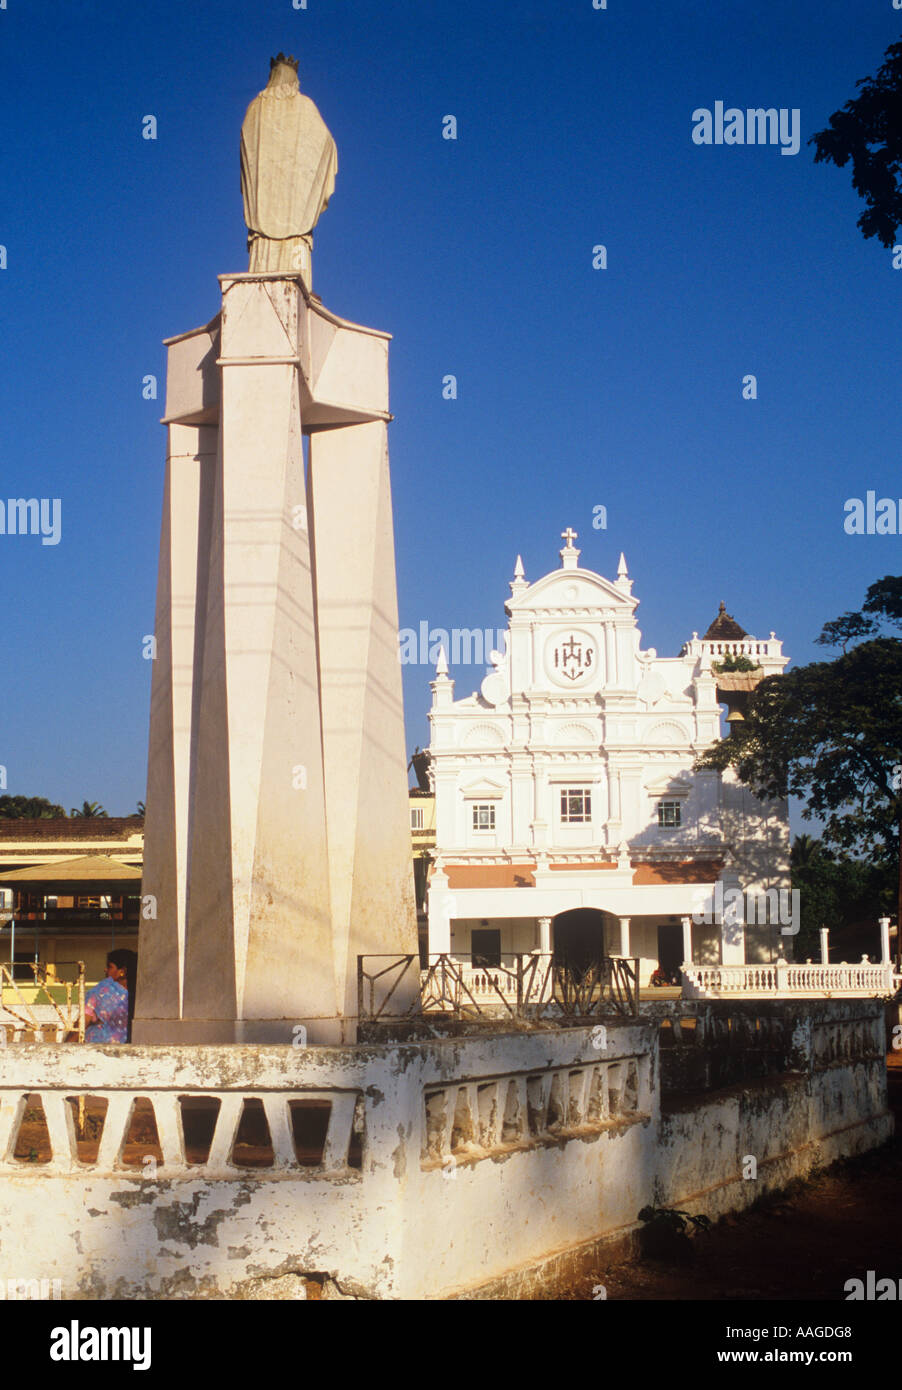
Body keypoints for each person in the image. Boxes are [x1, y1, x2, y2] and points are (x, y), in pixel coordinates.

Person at [84, 949, 137, 1043]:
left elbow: (82, 1023)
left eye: (109, 967)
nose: (105, 969)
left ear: (122, 971)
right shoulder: (140, 995)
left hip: (96, 1051)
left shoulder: (101, 992)